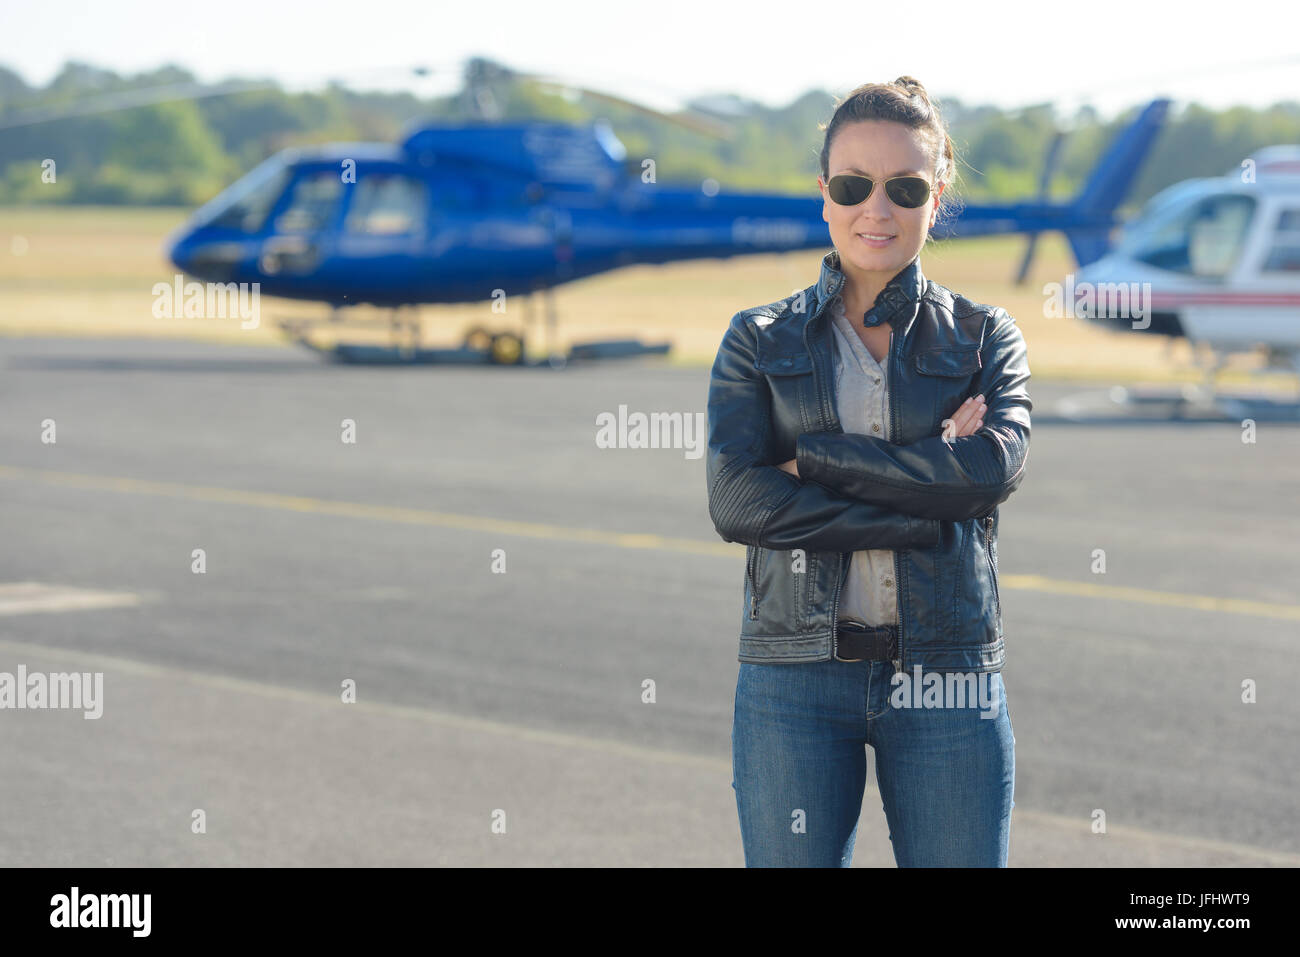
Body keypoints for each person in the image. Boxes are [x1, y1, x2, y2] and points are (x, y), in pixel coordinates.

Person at [705, 76, 1032, 867]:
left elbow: (986, 474)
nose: (875, 210)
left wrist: (812, 460)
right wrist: (928, 505)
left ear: (937, 194)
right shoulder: (757, 339)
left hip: (949, 677)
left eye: (904, 187)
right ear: (824, 193)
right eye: (853, 185)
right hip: (793, 682)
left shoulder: (986, 337)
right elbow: (740, 501)